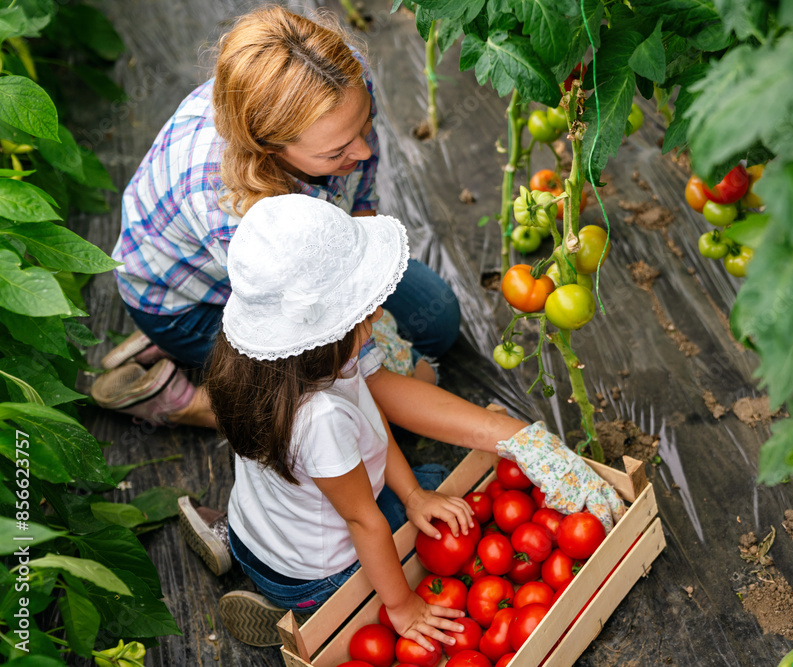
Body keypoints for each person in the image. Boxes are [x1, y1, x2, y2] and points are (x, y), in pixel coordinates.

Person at [203, 194, 625, 647]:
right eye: (364, 311)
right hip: (314, 573)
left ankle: (234, 547)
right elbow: (364, 524)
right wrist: (402, 606)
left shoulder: (273, 367)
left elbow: (372, 417)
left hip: (257, 526)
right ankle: (305, 618)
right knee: (427, 516)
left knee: (425, 494)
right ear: (325, 334)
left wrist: (412, 495)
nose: (379, 314)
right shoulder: (320, 416)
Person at [92, 6, 459, 428]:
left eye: (364, 125)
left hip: (282, 263)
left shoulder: (339, 79)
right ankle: (185, 401)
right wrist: (374, 362)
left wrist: (365, 286)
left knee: (439, 322)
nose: (362, 152)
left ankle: (200, 359)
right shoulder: (234, 206)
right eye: (337, 152)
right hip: (184, 302)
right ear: (268, 147)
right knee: (330, 416)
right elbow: (322, 325)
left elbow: (362, 193)